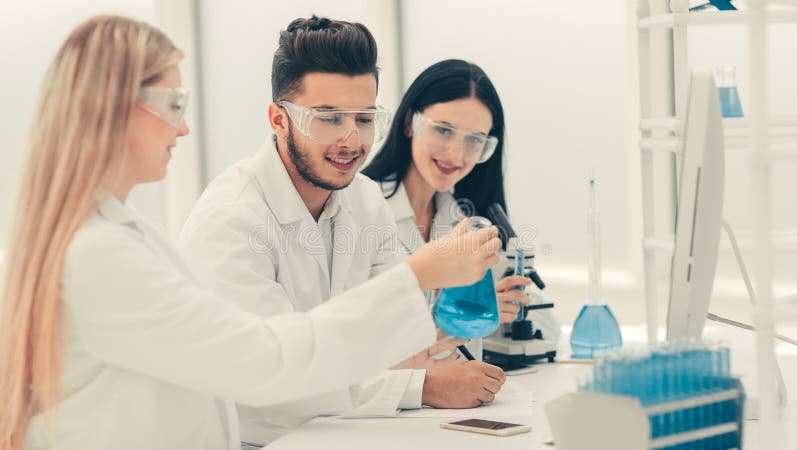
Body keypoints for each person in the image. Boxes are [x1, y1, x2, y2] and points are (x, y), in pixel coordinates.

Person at [0, 16, 501, 450]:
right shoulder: (117, 251)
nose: (184, 129)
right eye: (173, 105)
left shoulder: (126, 236)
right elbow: (269, 365)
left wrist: (421, 319)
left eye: (365, 118)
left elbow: (383, 349)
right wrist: (418, 278)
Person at [179, 17, 507, 447]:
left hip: (342, 434)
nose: (352, 140)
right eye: (329, 119)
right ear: (279, 119)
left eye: (364, 118)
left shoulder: (363, 199)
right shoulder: (230, 221)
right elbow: (272, 382)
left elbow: (397, 346)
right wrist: (422, 386)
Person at [362, 59, 562, 358]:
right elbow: (355, 335)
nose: (456, 153)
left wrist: (495, 311)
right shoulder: (361, 206)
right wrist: (460, 313)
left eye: (474, 140)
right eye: (443, 130)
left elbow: (547, 325)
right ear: (408, 124)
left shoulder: (464, 219)